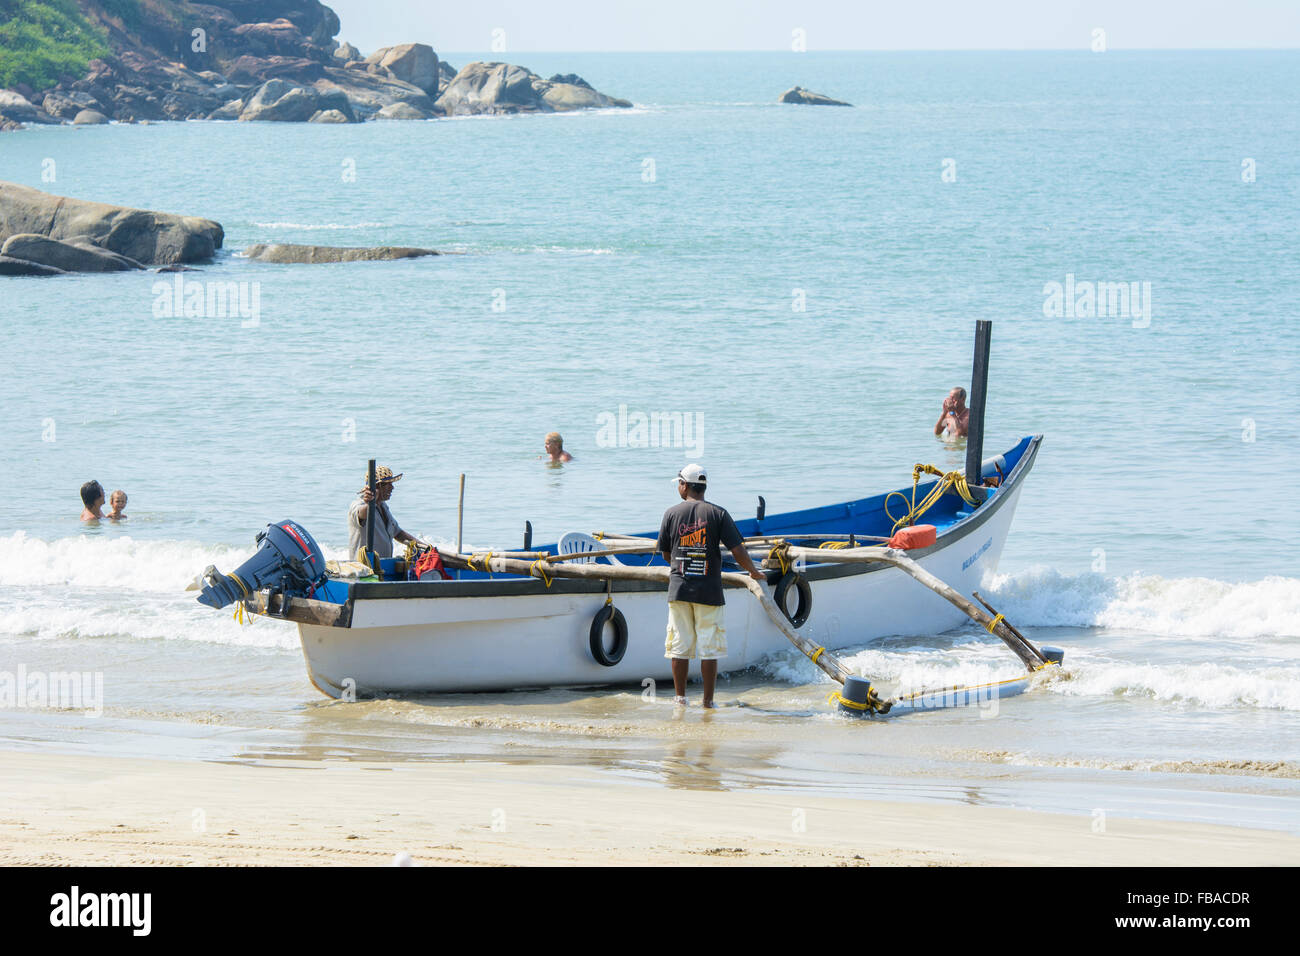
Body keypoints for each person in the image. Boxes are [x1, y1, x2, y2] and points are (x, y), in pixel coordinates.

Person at [656, 464, 766, 709]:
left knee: (679, 646)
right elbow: (738, 549)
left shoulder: (671, 513)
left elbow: (666, 553)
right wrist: (753, 571)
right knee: (709, 648)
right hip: (709, 591)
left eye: (679, 483)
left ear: (685, 485)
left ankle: (680, 699)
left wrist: (681, 563)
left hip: (679, 589)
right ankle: (707, 702)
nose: (678, 487)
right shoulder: (719, 514)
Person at [348, 465, 421, 561]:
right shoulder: (358, 505)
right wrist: (370, 503)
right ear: (377, 487)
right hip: (365, 568)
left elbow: (398, 533)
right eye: (388, 484)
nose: (392, 488)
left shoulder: (383, 506)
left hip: (383, 565)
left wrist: (422, 546)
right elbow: (361, 514)